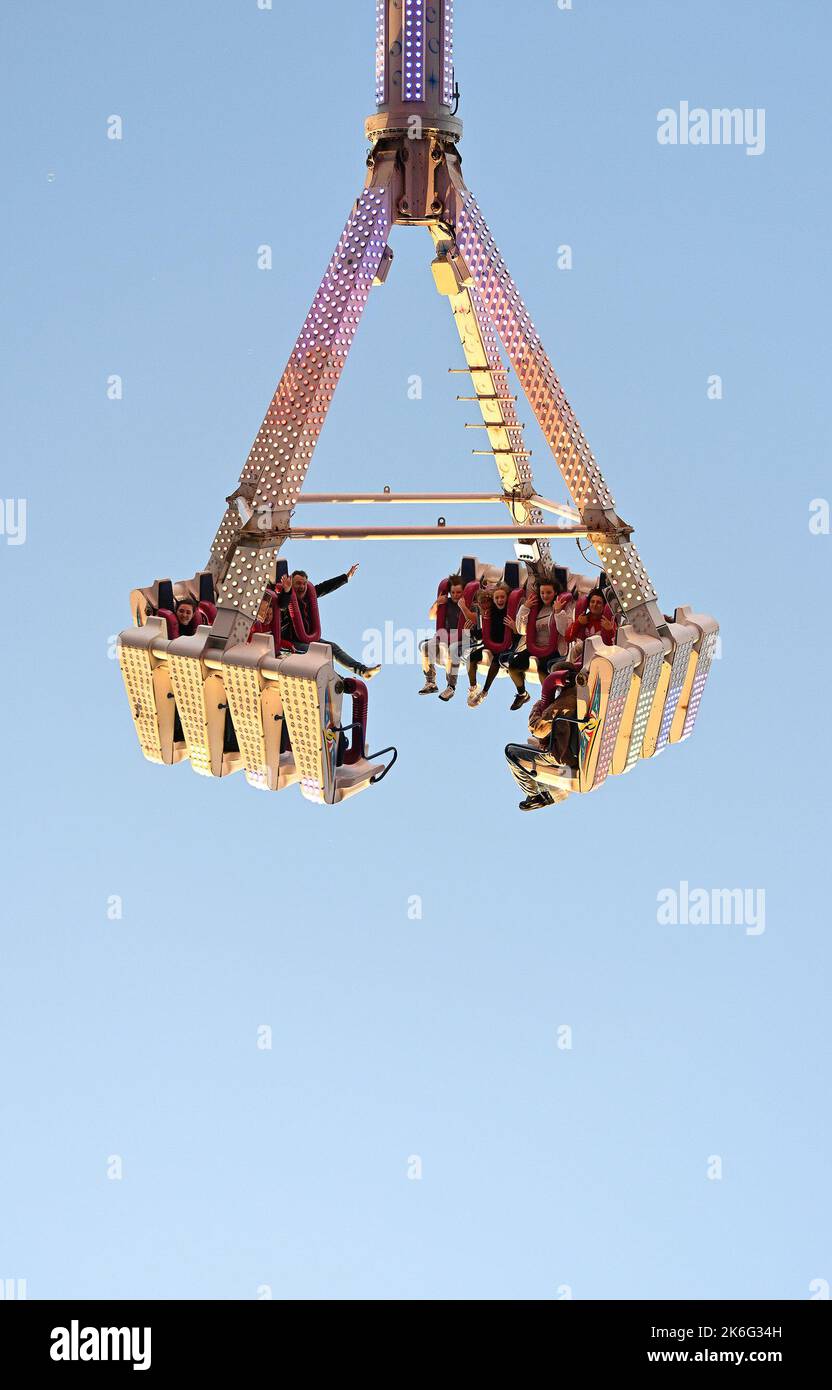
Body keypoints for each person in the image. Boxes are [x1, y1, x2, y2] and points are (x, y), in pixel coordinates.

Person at [276, 565, 381, 679]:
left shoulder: (309, 595)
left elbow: (326, 586)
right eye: (298, 583)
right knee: (319, 652)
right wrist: (286, 591)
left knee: (332, 647)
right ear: (292, 583)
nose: (301, 586)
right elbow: (282, 605)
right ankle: (339, 680)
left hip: (308, 640)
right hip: (291, 642)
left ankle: (363, 671)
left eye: (304, 583)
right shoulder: (287, 596)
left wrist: (345, 577)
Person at [504, 670, 580, 811]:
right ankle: (553, 789)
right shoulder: (583, 693)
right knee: (531, 744)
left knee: (511, 752)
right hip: (575, 749)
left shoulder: (565, 700)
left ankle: (534, 795)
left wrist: (538, 706)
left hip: (563, 754)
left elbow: (537, 728)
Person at [507, 576, 574, 710]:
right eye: (542, 593)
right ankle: (522, 694)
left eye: (548, 592)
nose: (545, 596)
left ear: (555, 593)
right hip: (535, 647)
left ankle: (549, 702)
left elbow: (564, 631)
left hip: (554, 650)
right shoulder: (536, 610)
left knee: (543, 669)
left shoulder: (564, 607)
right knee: (513, 666)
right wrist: (525, 608)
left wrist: (558, 612)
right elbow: (521, 630)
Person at [419, 574, 477, 701]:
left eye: (459, 592)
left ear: (464, 592)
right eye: (453, 592)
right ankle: (430, 682)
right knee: (425, 647)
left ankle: (451, 687)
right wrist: (437, 603)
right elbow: (431, 616)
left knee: (452, 649)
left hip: (464, 641)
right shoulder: (447, 603)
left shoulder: (469, 604)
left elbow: (476, 620)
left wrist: (463, 608)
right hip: (444, 638)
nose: (456, 595)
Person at [466, 583, 517, 706]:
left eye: (502, 597)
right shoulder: (489, 613)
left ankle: (484, 692)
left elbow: (519, 634)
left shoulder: (510, 611)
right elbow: (481, 635)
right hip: (490, 644)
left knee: (496, 661)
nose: (500, 600)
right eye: (497, 598)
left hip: (505, 646)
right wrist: (469, 631)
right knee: (471, 658)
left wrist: (514, 627)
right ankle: (473, 687)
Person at [565, 588, 617, 667]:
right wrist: (578, 623)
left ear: (604, 606)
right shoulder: (583, 618)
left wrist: (610, 630)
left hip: (602, 656)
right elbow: (568, 638)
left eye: (598, 603)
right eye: (592, 602)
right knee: (574, 650)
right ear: (588, 604)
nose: (595, 605)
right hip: (584, 654)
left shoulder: (608, 622)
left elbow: (614, 647)